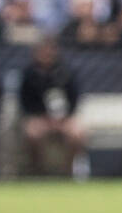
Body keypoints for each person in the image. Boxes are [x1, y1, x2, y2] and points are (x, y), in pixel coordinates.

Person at [18, 37, 87, 176]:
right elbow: (26, 102)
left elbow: (74, 98)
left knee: (77, 132)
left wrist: (63, 119)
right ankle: (36, 170)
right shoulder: (30, 74)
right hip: (40, 118)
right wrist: (44, 118)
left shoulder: (66, 72)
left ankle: (69, 169)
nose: (47, 55)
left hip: (64, 118)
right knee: (32, 132)